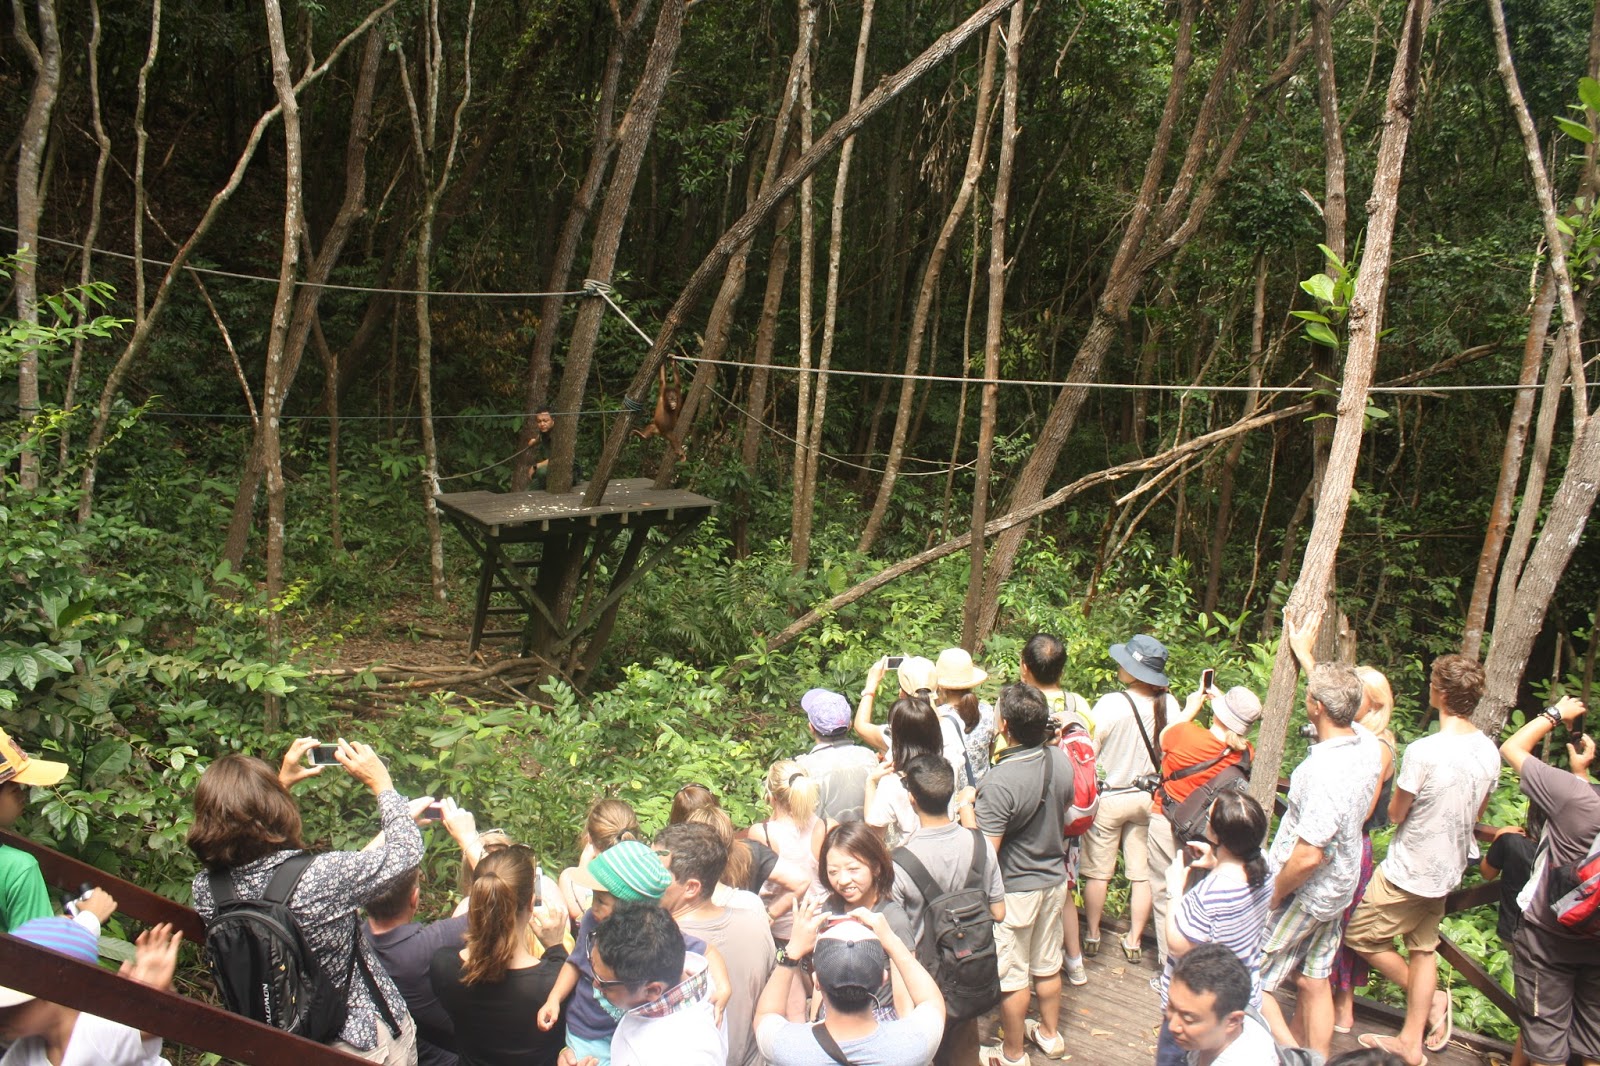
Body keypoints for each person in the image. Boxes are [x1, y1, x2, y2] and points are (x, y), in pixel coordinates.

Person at [188, 737, 422, 1064]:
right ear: (276, 809)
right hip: (358, 1042)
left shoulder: (207, 890)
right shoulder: (319, 876)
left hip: (281, 1048)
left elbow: (254, 856)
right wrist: (381, 783)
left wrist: (277, 786)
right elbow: (406, 854)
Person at [1345, 654, 1500, 1066]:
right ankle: (1410, 1043)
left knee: (1359, 935)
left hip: (1409, 868)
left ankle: (1432, 1001)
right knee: (1423, 948)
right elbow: (1479, 811)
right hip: (1449, 867)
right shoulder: (1489, 750)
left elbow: (1396, 813)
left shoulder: (1425, 750)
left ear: (1442, 694)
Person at [1255, 664, 1381, 1063]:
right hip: (1341, 883)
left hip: (1306, 893)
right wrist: (1311, 659)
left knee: (1249, 976)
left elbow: (1309, 854)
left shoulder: (1325, 772)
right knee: (1314, 978)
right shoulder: (1365, 743)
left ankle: (1296, 1058)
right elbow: (1340, 704)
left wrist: (1272, 896)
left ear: (1317, 708)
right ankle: (1321, 1059)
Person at [1285, 620, 1401, 1034]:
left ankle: (1297, 1043)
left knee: (1277, 969)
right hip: (1333, 857)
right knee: (1320, 965)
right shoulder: (1357, 739)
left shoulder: (1374, 747)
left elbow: (1359, 814)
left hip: (1337, 853)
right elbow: (1330, 703)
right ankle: (1317, 1039)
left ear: (1368, 704)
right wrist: (1305, 656)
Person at [537, 840, 727, 1066]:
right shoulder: (595, 922)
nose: (593, 907)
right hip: (584, 1031)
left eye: (605, 982)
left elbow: (709, 951)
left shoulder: (685, 1051)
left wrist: (724, 987)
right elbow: (575, 963)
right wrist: (554, 998)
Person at [975, 682, 1076, 1066]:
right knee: (1048, 963)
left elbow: (988, 854)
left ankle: (1013, 1053)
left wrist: (969, 809)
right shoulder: (1060, 760)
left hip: (1016, 889)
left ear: (1004, 725)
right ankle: (1050, 1035)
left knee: (1014, 975)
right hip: (1054, 880)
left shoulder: (1000, 781)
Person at [1498, 694, 1600, 1066]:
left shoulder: (1574, 798)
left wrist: (1556, 714)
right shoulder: (1580, 793)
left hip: (1549, 939)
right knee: (1592, 1047)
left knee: (1547, 1048)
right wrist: (1581, 772)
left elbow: (1513, 747)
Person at [890, 755, 1004, 1065]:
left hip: (925, 981)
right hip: (968, 974)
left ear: (912, 799)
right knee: (966, 1049)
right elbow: (999, 912)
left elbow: (899, 939)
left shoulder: (900, 863)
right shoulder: (980, 845)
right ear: (951, 793)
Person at [367, 799, 492, 1066]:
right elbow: (504, 900)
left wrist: (391, 830)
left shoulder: (353, 936)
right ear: (415, 898)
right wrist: (468, 837)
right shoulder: (423, 947)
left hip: (400, 1044)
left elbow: (338, 884)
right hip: (447, 1055)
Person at [1155, 792, 1274, 1066]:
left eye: (1209, 816)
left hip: (1199, 1007)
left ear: (1217, 834)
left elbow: (1178, 945)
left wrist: (1174, 891)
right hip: (1244, 994)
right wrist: (1216, 860)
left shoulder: (1212, 892)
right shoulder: (1264, 865)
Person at [754, 898, 946, 1066]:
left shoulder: (788, 1049)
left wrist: (792, 951)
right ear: (882, 979)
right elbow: (932, 1001)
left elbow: (766, 1014)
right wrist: (892, 941)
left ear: (817, 982)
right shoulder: (912, 1045)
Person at [1150, 680, 1262, 968]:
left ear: (1216, 713)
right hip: (1207, 833)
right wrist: (1226, 708)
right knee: (1195, 895)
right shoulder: (1246, 751)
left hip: (1168, 819)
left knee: (1167, 891)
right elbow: (1231, 734)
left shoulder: (1185, 734)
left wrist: (1191, 706)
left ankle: (1169, 963)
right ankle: (1195, 961)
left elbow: (1164, 736)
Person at [1082, 634, 1179, 963]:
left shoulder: (1111, 704)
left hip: (1110, 798)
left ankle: (1093, 935)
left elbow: (1090, 750)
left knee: (1099, 872)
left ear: (1136, 671)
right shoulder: (1170, 704)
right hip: (1148, 798)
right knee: (1142, 873)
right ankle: (1135, 940)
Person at [429, 846, 572, 1066]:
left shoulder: (444, 966)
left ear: (476, 901)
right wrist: (555, 947)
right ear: (530, 903)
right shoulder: (552, 982)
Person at [655, 822, 776, 1066]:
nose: (645, 878)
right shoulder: (755, 922)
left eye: (656, 873)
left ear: (691, 887)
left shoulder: (658, 941)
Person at [0, 917, 183, 1066]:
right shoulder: (25, 1051)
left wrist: (155, 994)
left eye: (12, 1005)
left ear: (56, 992)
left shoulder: (96, 1029)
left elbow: (152, 1024)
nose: (2, 1014)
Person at [1021, 632, 1095, 985]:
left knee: (1027, 884)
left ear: (1024, 667)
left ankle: (1032, 963)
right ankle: (1075, 961)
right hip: (1070, 814)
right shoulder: (1079, 704)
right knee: (1064, 887)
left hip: (1032, 814)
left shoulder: (1019, 703)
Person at [0, 729, 116, 934]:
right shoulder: (18, 868)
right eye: (14, 788)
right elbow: (36, 958)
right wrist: (89, 921)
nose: (23, 796)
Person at [591, 902, 726, 1066]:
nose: (595, 984)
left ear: (653, 990)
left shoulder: (689, 1054)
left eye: (605, 984)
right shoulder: (680, 973)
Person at [819, 821, 915, 1018]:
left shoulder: (892, 919)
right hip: (832, 1017)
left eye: (853, 869)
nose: (843, 880)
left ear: (876, 868)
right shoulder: (830, 908)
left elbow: (904, 994)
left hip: (877, 1017)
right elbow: (822, 977)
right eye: (833, 872)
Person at [1165, 943, 1278, 1066]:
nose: (1172, 1026)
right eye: (1171, 1007)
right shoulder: (1235, 1011)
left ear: (1233, 1021)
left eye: (1188, 1019)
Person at [748, 760, 824, 937]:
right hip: (819, 926)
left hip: (779, 930)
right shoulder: (825, 826)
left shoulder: (763, 833)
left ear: (771, 796)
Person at [865, 698, 948, 847]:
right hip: (947, 848)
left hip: (911, 862)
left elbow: (873, 835)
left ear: (896, 737)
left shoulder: (892, 783)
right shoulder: (947, 768)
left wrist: (871, 783)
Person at [796, 688, 879, 825]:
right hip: (867, 842)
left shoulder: (804, 768)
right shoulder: (868, 756)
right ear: (849, 725)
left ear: (811, 727)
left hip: (825, 844)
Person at [557, 799, 642, 924]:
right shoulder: (648, 877)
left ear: (589, 838)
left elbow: (578, 886)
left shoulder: (571, 879)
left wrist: (585, 859)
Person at [933, 648, 996, 788]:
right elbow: (990, 751)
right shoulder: (987, 712)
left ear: (941, 686)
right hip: (982, 796)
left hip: (949, 798)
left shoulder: (935, 718)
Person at [853, 656, 940, 754]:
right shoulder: (950, 724)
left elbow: (860, 726)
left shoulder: (896, 735)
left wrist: (871, 684)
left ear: (901, 693)